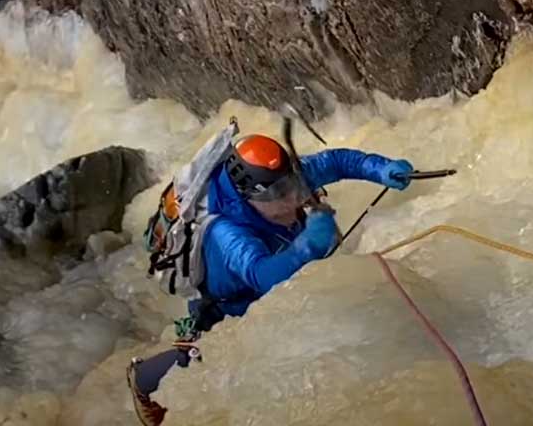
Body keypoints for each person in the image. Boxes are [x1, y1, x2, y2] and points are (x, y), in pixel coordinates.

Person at [129, 133, 415, 424]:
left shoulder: (279, 180)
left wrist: (380, 168)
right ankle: (144, 378)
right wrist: (307, 247)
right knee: (211, 365)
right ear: (248, 196)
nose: (291, 199)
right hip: (228, 312)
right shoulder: (226, 233)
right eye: (277, 195)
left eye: (290, 187)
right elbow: (263, 276)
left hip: (275, 280)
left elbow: (338, 162)